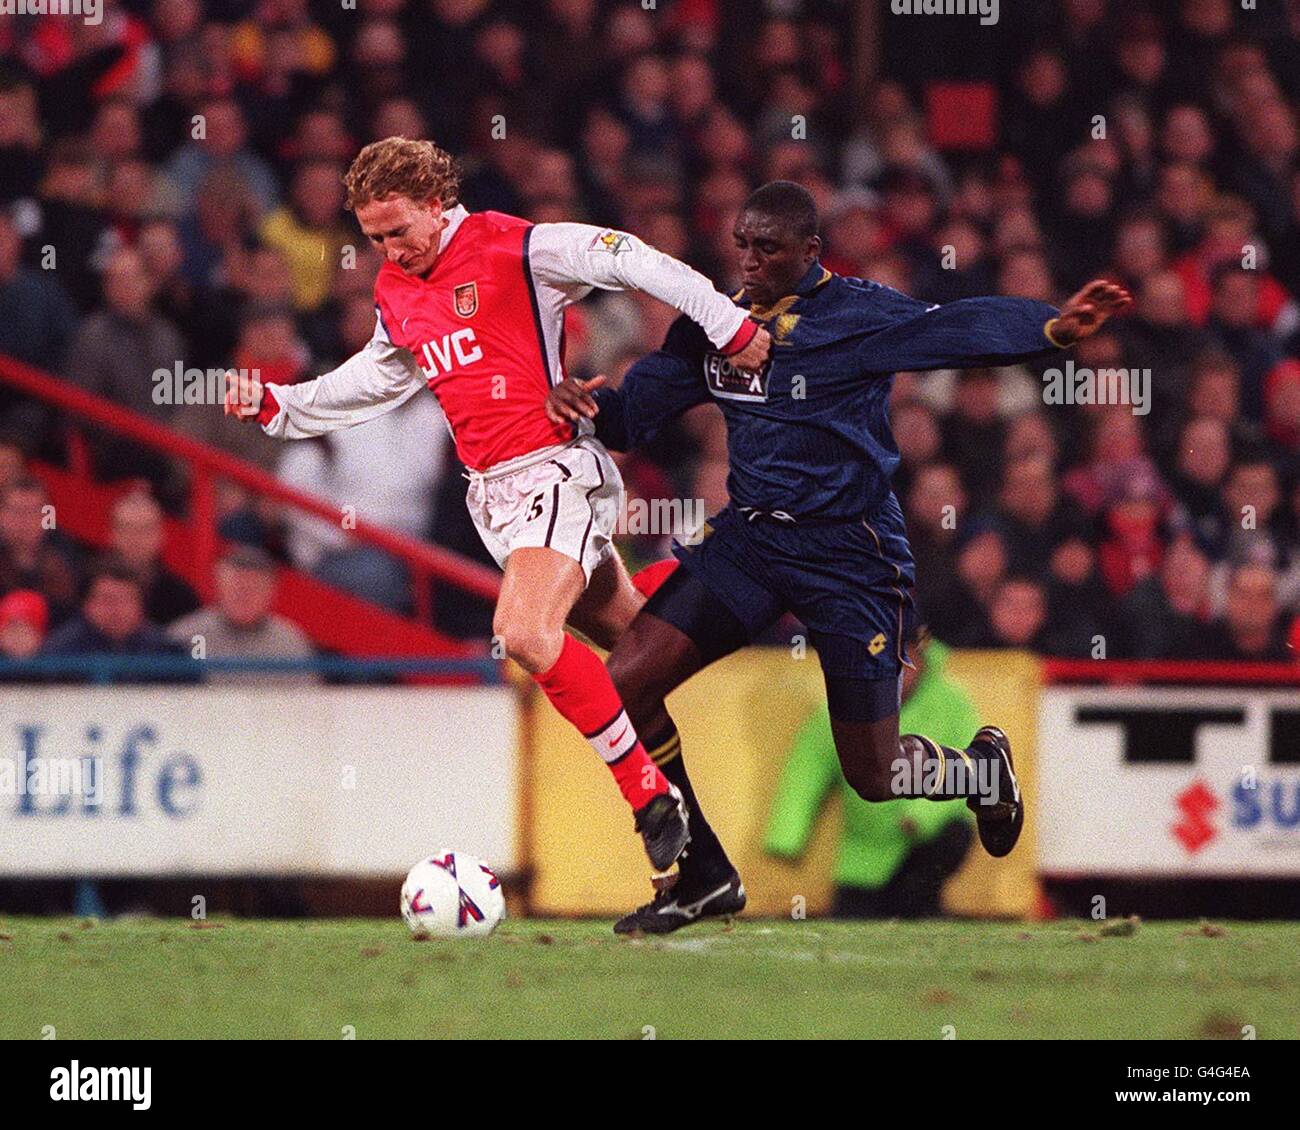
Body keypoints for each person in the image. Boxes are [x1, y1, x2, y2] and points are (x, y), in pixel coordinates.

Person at [547, 181, 1130, 932]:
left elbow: (954, 327)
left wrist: (1051, 328)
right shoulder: (716, 323)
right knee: (626, 678)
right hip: (753, 540)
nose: (751, 261)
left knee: (875, 773)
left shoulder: (855, 315)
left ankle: (977, 770)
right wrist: (579, 406)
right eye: (743, 245)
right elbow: (632, 418)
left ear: (810, 252)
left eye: (769, 248)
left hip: (850, 554)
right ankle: (700, 876)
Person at [224, 136, 771, 874]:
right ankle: (707, 865)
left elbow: (635, 258)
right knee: (643, 652)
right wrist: (279, 405)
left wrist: (729, 326)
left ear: (434, 204)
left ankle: (645, 796)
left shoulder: (516, 247)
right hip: (494, 502)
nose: (389, 249)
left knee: (520, 633)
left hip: (554, 472)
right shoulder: (396, 288)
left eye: (398, 231)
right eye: (374, 238)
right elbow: (377, 379)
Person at [765, 629, 977, 919]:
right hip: (862, 850)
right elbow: (808, 768)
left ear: (923, 658)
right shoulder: (848, 703)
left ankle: (922, 908)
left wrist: (921, 816)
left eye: (905, 660)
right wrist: (786, 834)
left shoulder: (950, 704)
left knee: (952, 836)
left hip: (921, 845)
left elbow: (964, 768)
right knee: (851, 918)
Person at [168, 545, 318, 686]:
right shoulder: (187, 637)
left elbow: (305, 702)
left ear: (271, 592)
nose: (244, 597)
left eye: (254, 589)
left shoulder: (290, 644)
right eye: (236, 589)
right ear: (218, 587)